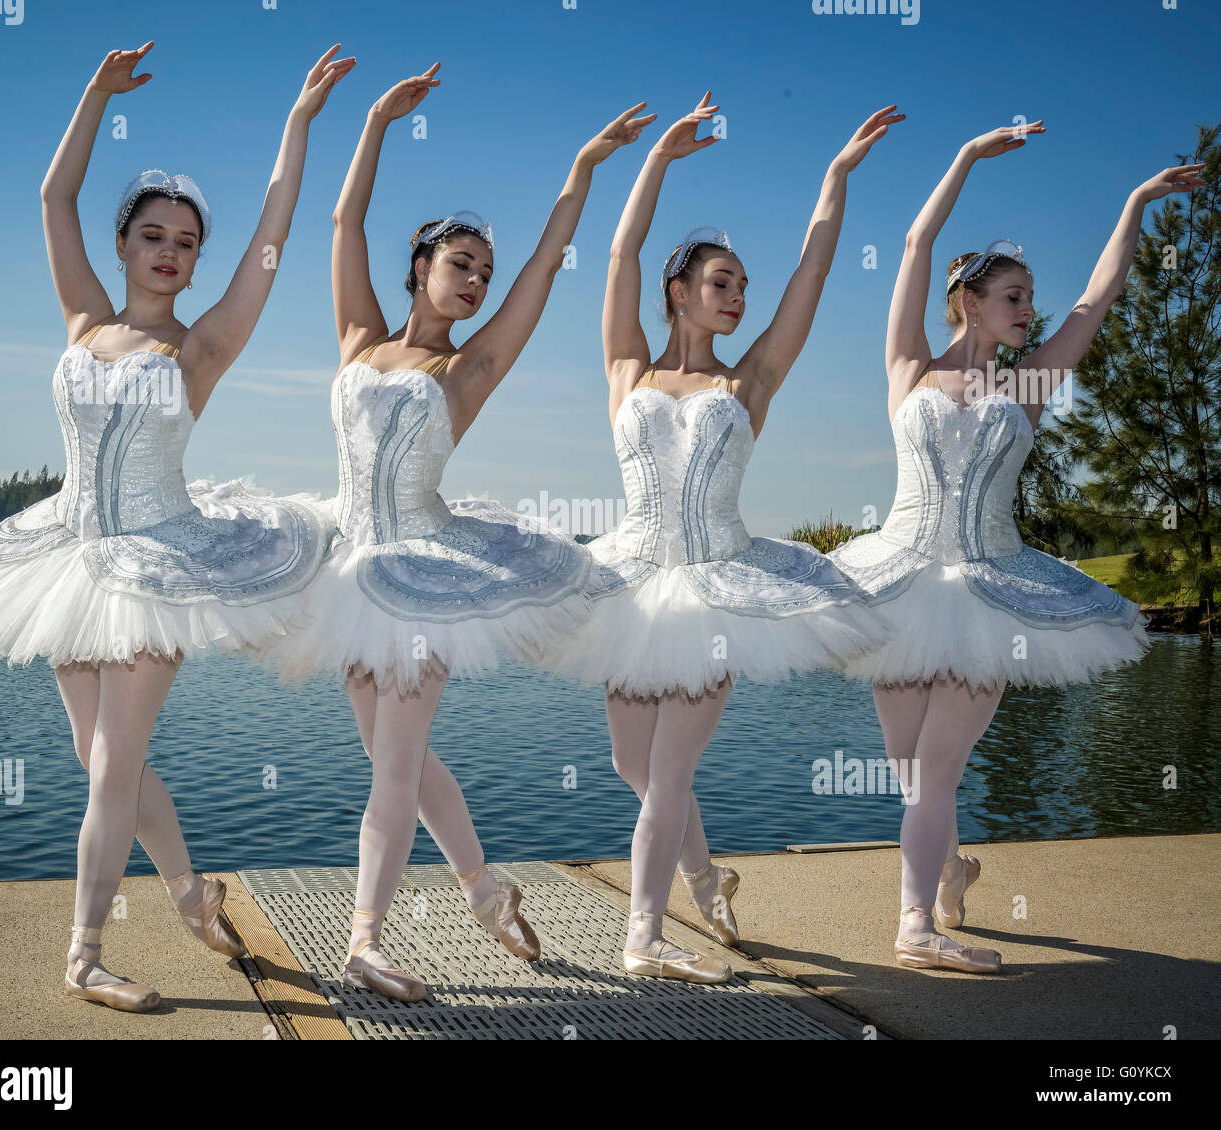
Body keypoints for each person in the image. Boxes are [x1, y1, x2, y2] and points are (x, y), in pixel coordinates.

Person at [0, 42, 354, 1011]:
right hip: (66, 557)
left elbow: (271, 245)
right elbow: (52, 199)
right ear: (123, 244)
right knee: (97, 759)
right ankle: (195, 891)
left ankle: (83, 953)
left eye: (187, 240)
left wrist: (298, 123)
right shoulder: (83, 319)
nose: (169, 248)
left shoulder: (201, 344)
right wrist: (92, 95)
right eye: (152, 232)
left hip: (159, 561)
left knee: (114, 759)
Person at [270, 63, 654, 1003]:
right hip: (346, 568)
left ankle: (365, 939)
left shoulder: (468, 368)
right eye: (461, 265)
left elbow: (544, 268)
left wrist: (582, 171)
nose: (478, 281)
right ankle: (485, 887)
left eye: (483, 271)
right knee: (390, 757)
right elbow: (343, 223)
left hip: (426, 576)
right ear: (422, 268)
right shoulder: (361, 337)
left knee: (394, 764)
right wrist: (363, 122)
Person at [828, 120, 1203, 972]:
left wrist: (1136, 199)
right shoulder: (909, 368)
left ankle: (916, 925)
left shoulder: (1027, 385)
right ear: (968, 300)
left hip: (991, 592)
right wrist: (964, 157)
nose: (1030, 308)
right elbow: (919, 240)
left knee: (934, 774)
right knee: (910, 771)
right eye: (1014, 295)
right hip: (895, 583)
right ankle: (951, 871)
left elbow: (1097, 299)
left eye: (1031, 296)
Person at [551, 96, 901, 982]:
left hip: (718, 588)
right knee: (636, 765)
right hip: (628, 584)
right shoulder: (627, 364)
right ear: (678, 291)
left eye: (743, 285)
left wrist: (836, 177)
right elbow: (622, 254)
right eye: (721, 282)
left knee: (670, 771)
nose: (739, 296)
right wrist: (656, 160)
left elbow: (812, 279)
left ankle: (644, 935)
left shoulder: (749, 383)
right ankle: (707, 878)